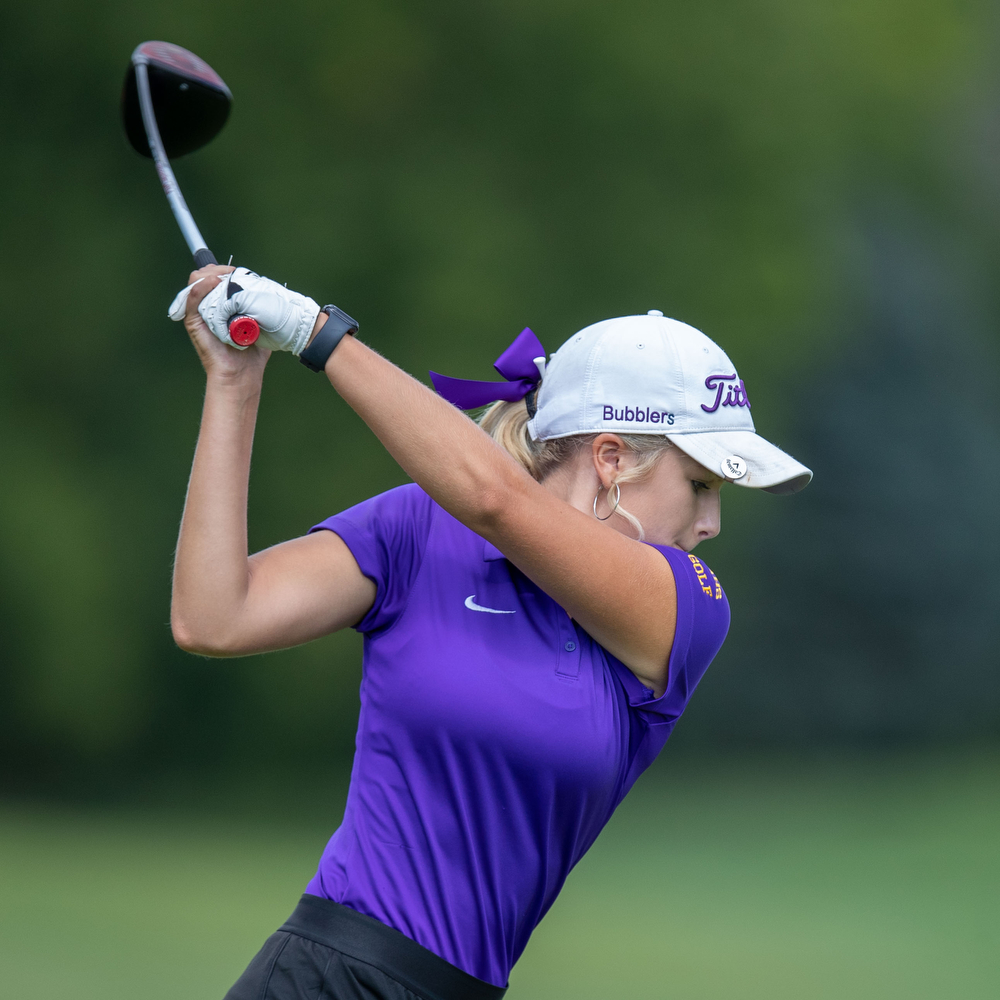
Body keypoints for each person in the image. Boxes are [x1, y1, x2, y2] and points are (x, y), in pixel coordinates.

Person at [169, 265, 811, 1000]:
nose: (711, 524)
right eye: (700, 485)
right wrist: (234, 382)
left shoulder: (688, 608)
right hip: (324, 975)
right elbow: (213, 616)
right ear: (610, 460)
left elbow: (494, 499)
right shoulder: (418, 528)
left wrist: (318, 333)